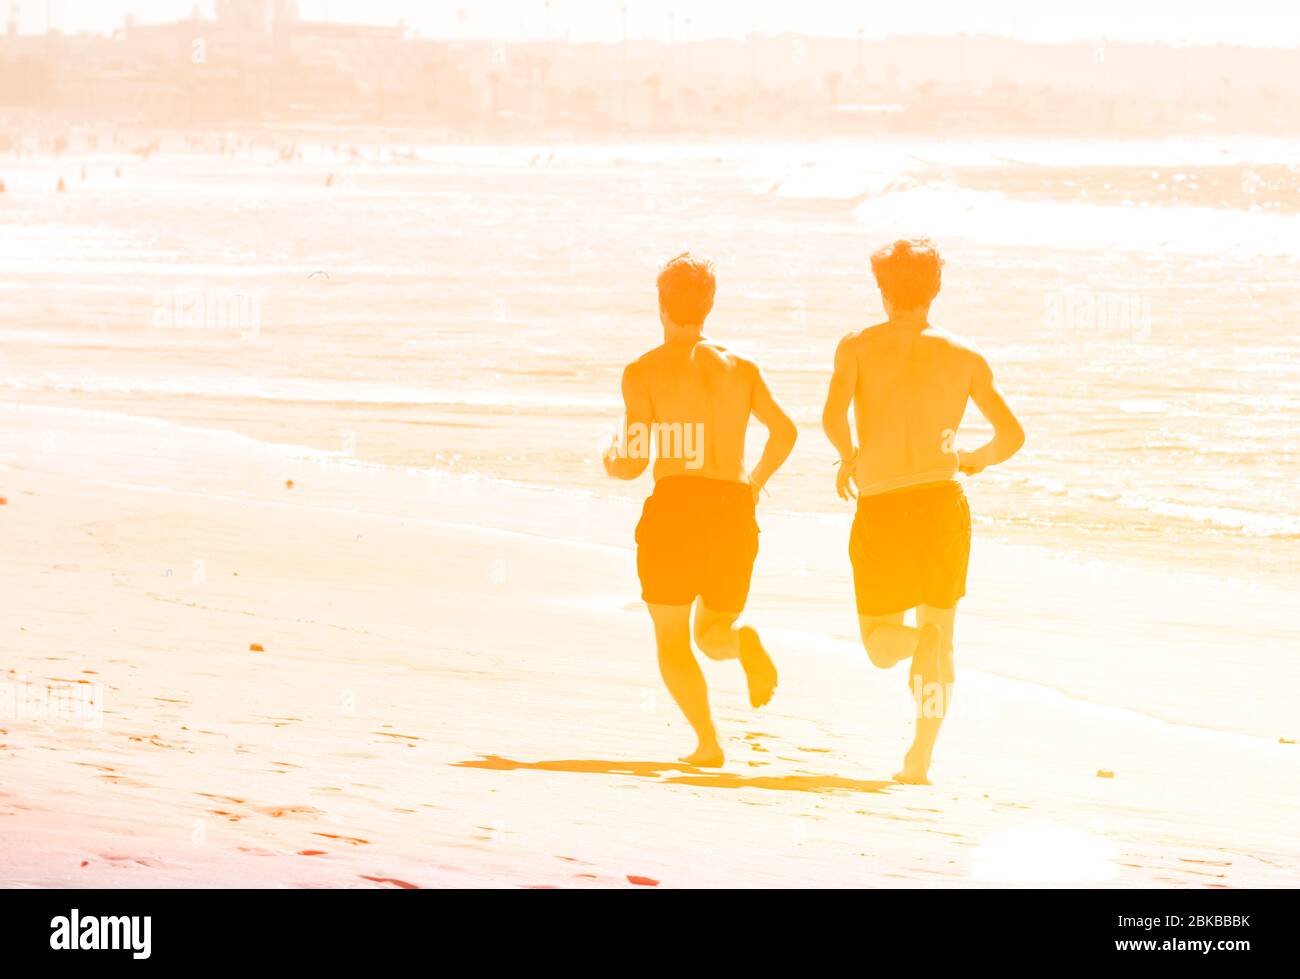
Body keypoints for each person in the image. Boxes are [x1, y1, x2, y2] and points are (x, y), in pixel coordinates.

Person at [821, 238, 1025, 784]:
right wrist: (973, 461)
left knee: (879, 644)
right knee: (944, 637)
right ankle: (920, 758)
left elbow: (833, 417)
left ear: (882, 289)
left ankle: (919, 643)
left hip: (884, 503)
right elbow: (1011, 435)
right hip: (941, 502)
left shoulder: (857, 346)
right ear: (936, 289)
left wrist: (848, 457)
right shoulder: (964, 355)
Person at [604, 253, 798, 768]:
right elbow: (785, 433)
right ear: (709, 304)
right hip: (733, 507)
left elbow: (633, 461)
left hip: (676, 508)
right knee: (713, 636)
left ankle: (709, 744)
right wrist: (754, 483)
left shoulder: (643, 370)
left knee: (672, 640)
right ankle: (743, 643)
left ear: (660, 304)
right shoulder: (742, 367)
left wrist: (610, 460)